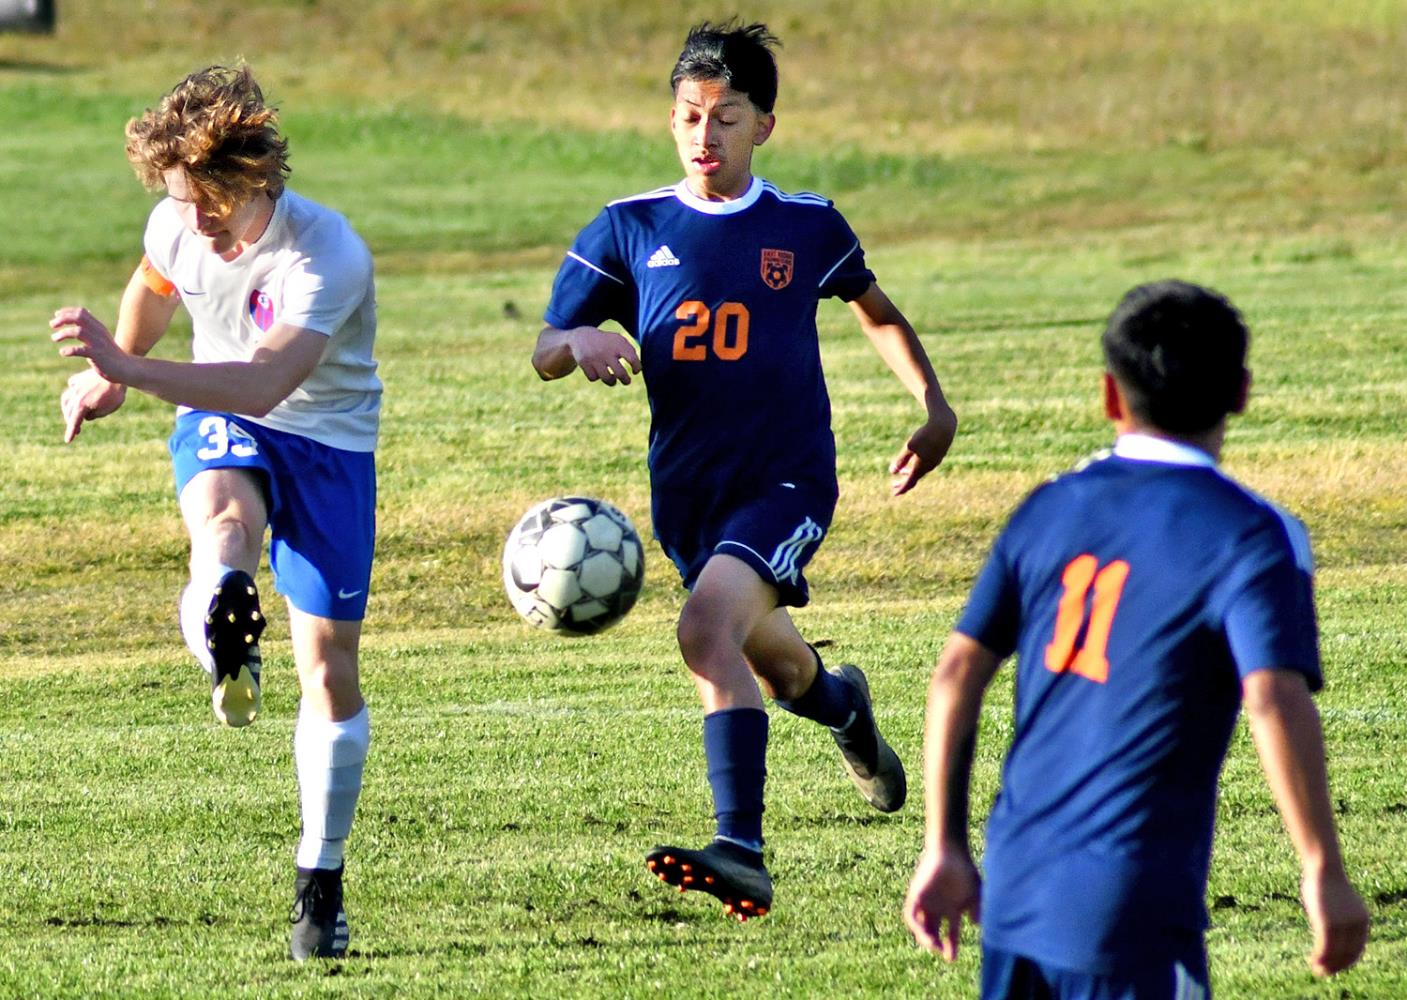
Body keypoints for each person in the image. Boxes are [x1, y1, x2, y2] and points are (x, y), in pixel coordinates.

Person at [534, 20, 958, 920]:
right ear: (671, 119)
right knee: (779, 673)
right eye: (690, 115)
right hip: (689, 501)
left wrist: (933, 407)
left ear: (763, 125)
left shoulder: (803, 224)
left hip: (787, 483)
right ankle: (845, 709)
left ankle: (742, 849)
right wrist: (577, 340)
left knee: (702, 634)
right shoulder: (626, 227)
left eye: (726, 118)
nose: (705, 135)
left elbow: (875, 311)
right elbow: (545, 348)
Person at [903, 280, 1369, 997]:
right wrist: (1322, 868)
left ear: (1109, 395)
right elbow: (1273, 700)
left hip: (1016, 884)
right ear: (1241, 393)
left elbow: (957, 672)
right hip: (1133, 905)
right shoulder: (1252, 533)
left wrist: (943, 844)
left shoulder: (1049, 506)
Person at [48, 65, 380, 961]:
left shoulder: (326, 254)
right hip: (219, 415)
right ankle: (226, 621)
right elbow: (155, 286)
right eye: (179, 198)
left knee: (329, 671)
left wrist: (126, 368)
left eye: (211, 201)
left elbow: (266, 383)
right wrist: (116, 372)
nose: (194, 220)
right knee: (224, 532)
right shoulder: (176, 223)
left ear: (255, 176)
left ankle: (320, 877)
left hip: (328, 442)